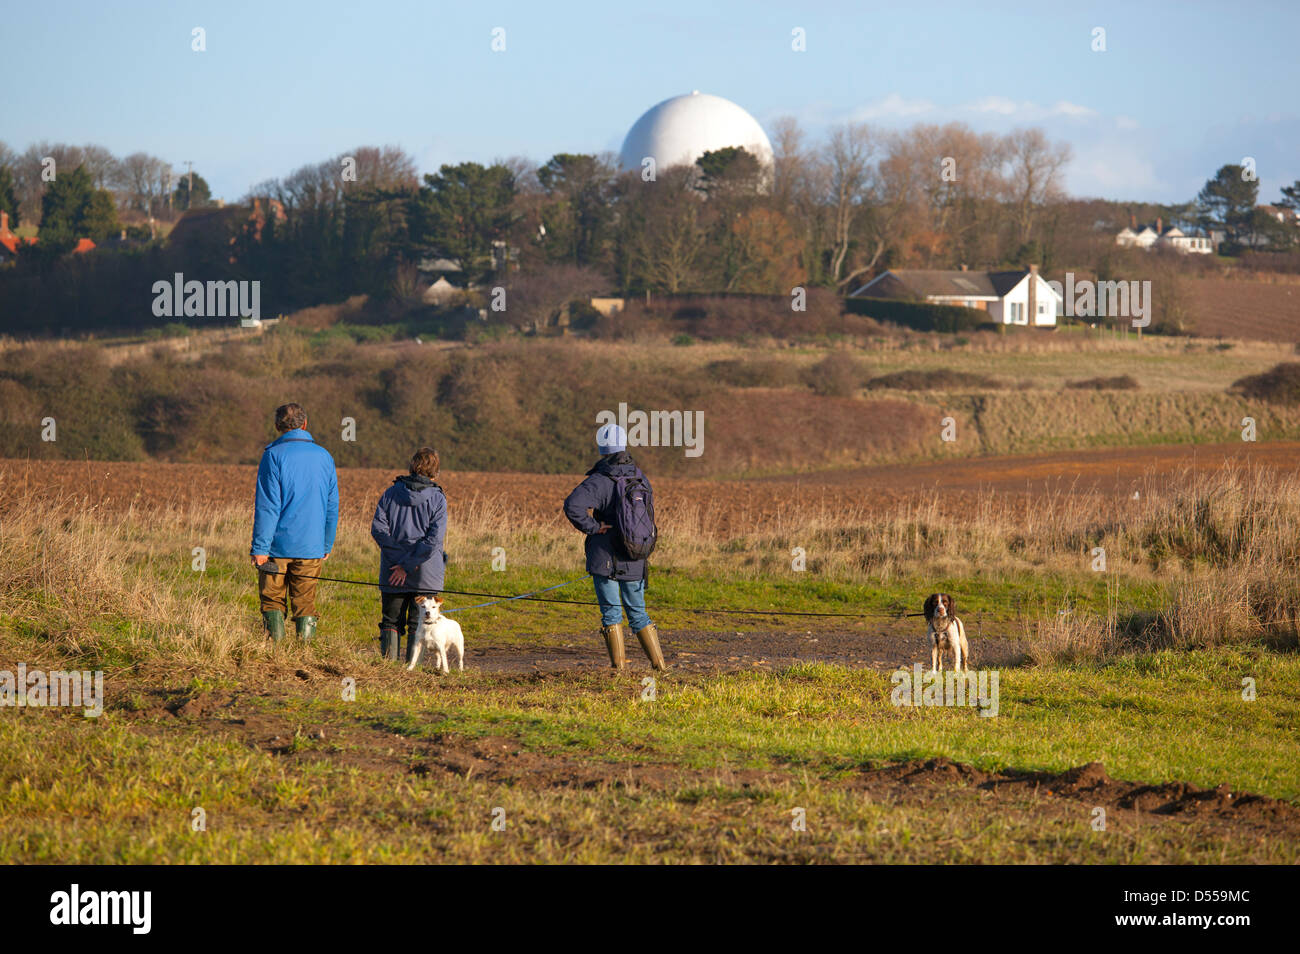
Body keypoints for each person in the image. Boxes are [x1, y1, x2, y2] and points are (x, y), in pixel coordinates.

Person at [563, 423, 666, 671]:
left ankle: (619, 671)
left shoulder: (600, 480)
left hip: (606, 558)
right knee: (638, 613)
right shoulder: (640, 477)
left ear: (602, 448)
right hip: (635, 554)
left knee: (611, 614)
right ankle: (660, 667)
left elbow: (572, 506)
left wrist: (593, 526)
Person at [251, 403, 339, 641]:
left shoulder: (272, 456)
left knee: (272, 599)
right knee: (305, 602)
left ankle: (276, 654)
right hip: (312, 546)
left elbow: (268, 506)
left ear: (277, 426)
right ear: (305, 424)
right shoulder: (325, 456)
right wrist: (326, 544)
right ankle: (305, 655)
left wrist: (260, 548)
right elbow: (332, 506)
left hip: (276, 548)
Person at [371, 447, 448, 663]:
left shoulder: (390, 493)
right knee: (420, 622)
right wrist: (409, 564)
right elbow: (433, 540)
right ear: (435, 471)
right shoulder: (438, 499)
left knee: (390, 620)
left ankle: (388, 668)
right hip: (426, 572)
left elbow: (379, 530)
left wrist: (399, 563)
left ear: (412, 467)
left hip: (392, 570)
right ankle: (412, 672)